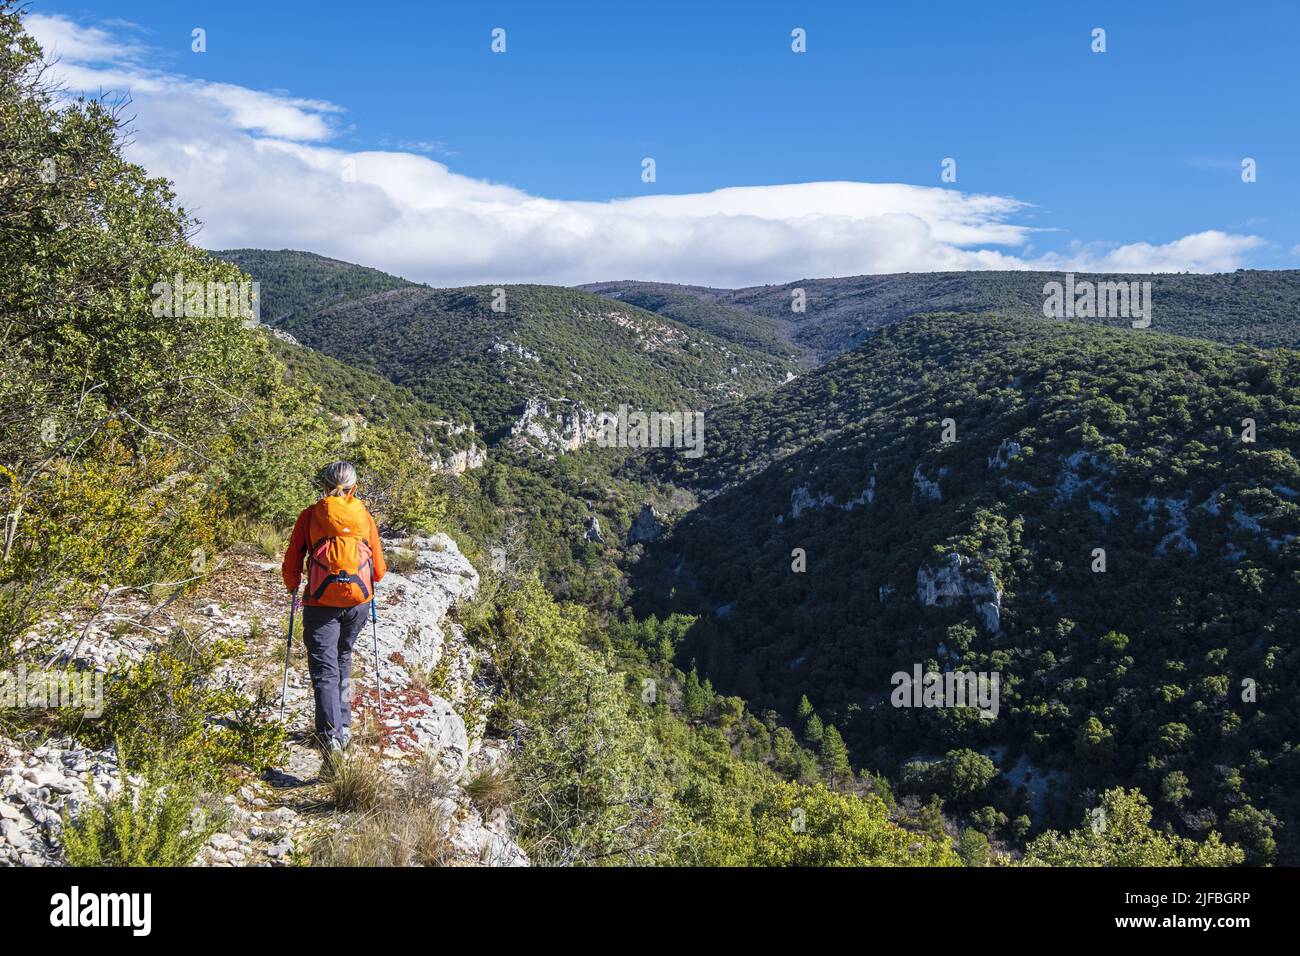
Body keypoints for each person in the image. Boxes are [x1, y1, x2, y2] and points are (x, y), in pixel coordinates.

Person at [281, 461, 386, 753]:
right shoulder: (364, 516)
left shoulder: (310, 515)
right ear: (355, 488)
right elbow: (378, 570)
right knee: (343, 658)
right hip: (358, 603)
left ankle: (330, 738)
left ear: (324, 486)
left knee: (325, 670)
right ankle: (345, 726)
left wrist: (292, 586)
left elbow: (292, 560)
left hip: (321, 601)